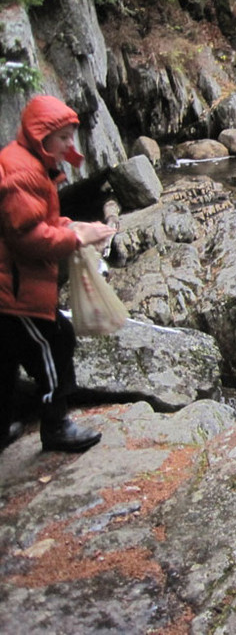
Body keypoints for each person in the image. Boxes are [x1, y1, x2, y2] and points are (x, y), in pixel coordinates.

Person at [0, 95, 116, 453]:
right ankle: (55, 424)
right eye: (64, 137)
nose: (70, 145)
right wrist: (78, 236)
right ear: (42, 135)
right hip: (13, 290)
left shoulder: (27, 162)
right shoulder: (23, 172)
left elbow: (40, 222)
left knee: (4, 357)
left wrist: (75, 226)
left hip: (9, 283)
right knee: (55, 340)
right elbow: (29, 239)